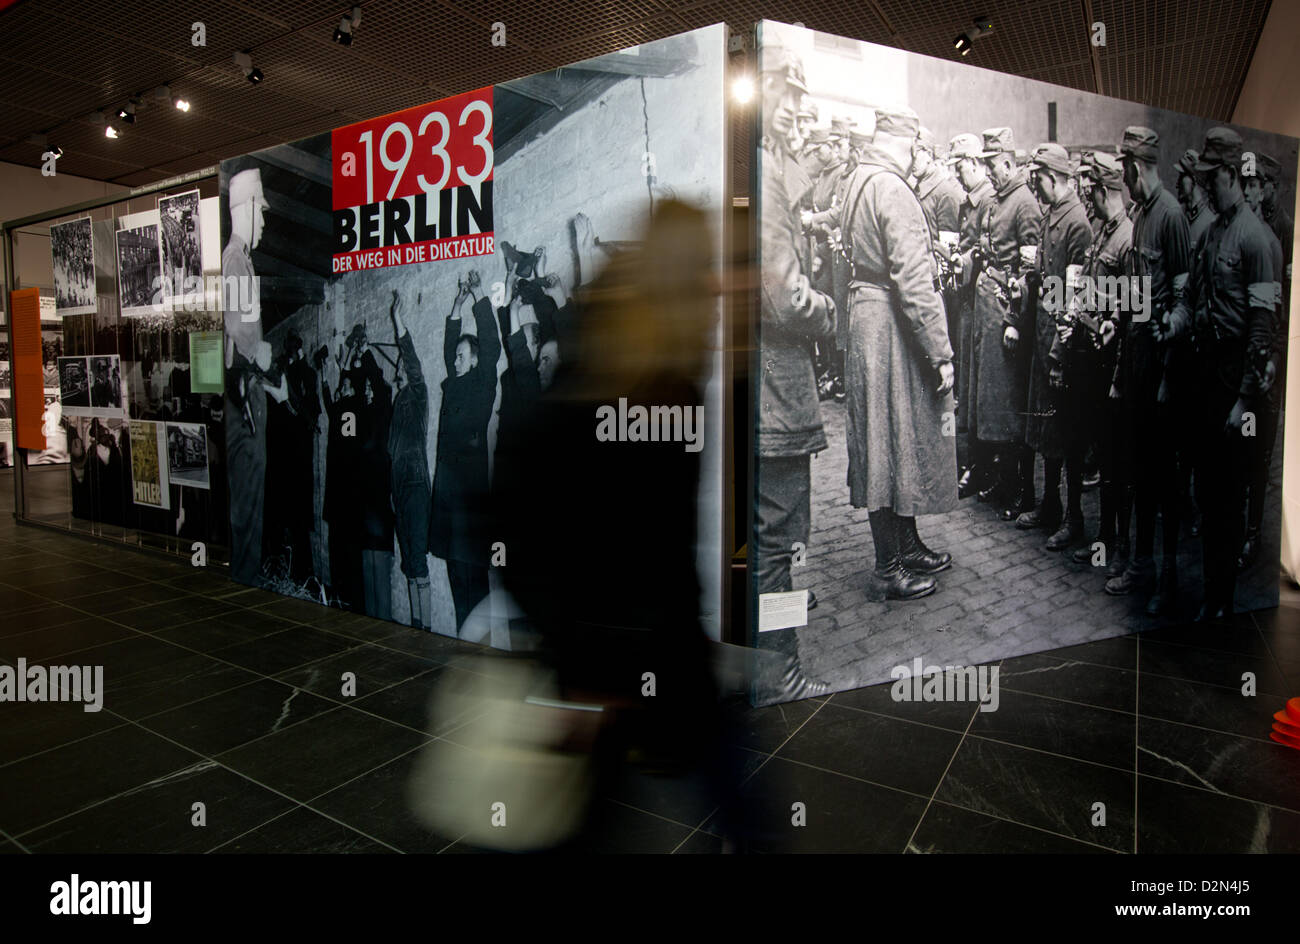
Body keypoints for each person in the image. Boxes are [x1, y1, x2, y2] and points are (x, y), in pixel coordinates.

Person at [489, 198, 750, 849]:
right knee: (588, 821)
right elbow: (529, 516)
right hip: (611, 657)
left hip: (642, 652)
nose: (721, 293)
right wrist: (583, 651)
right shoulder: (624, 373)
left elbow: (661, 538)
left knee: (603, 817)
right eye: (708, 272)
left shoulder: (666, 372)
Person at [838, 105, 957, 600]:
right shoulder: (893, 188)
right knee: (886, 442)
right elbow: (914, 281)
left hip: (869, 315)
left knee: (892, 436)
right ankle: (889, 567)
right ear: (907, 144)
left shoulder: (859, 179)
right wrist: (941, 352)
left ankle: (906, 545)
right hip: (889, 323)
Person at [1159, 127, 1276, 620]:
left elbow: (1262, 327)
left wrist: (1246, 399)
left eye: (1213, 177)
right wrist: (1175, 322)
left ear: (1231, 174)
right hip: (1206, 376)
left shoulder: (1258, 240)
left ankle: (1222, 601)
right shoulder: (1209, 233)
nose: (1205, 185)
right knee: (1208, 490)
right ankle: (1212, 591)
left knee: (1229, 495)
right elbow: (1191, 296)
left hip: (1235, 380)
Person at [753, 45, 835, 697]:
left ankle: (768, 659)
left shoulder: (752, 165)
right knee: (778, 544)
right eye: (790, 94)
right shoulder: (767, 174)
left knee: (761, 540)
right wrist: (826, 308)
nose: (797, 109)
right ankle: (781, 671)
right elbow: (784, 297)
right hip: (776, 393)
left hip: (751, 390)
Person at [1106, 127, 1191, 615]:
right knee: (1140, 473)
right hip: (1139, 362)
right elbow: (1137, 294)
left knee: (1164, 483)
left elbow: (1182, 299)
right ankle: (1141, 565)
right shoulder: (1141, 217)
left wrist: (1164, 378)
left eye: (1124, 172)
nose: (1124, 182)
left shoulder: (1172, 217)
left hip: (1163, 369)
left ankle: (1168, 578)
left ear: (1135, 169)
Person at [1015, 142, 1093, 551]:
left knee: (1068, 434)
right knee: (1049, 431)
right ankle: (1050, 505)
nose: (1036, 187)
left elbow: (1076, 295)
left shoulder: (1077, 223)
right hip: (1046, 336)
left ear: (1055, 177)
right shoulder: (1053, 217)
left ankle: (1073, 517)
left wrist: (1059, 352)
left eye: (1039, 179)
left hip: (1064, 344)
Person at [1066, 152, 1134, 580]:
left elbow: (1131, 311)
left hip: (1113, 365)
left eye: (1089, 187)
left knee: (1115, 464)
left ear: (1104, 189)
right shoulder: (1102, 232)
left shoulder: (1126, 239)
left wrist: (1108, 326)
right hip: (1091, 358)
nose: (1085, 194)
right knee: (1100, 455)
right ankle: (1103, 541)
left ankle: (1114, 546)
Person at [968, 128, 1040, 521]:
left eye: (992, 165)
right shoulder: (997, 200)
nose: (988, 172)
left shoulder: (1025, 203)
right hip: (988, 309)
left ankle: (1020, 489)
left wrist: (1016, 321)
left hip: (1007, 313)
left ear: (1009, 163)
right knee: (990, 401)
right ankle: (1000, 476)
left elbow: (1030, 269)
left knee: (1010, 404)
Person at [223, 166, 289, 584]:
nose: (263, 221)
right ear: (246, 207)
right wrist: (264, 355)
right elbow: (242, 335)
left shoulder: (241, 262)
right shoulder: (236, 261)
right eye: (261, 212)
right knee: (247, 513)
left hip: (248, 400)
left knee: (250, 509)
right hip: (244, 411)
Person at [429, 270, 500, 633]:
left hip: (470, 512)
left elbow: (491, 344)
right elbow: (448, 349)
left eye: (461, 356)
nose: (455, 360)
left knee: (476, 595)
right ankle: (464, 652)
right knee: (458, 586)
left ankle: (481, 661)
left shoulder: (482, 385)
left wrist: (477, 298)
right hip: (449, 506)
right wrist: (455, 306)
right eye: (455, 356)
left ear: (474, 361)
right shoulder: (454, 386)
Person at [946, 132, 997, 497]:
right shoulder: (969, 202)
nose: (958, 174)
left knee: (978, 389)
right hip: (964, 302)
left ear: (976, 163)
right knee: (964, 384)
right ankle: (968, 462)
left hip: (982, 305)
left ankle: (979, 466)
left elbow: (986, 252)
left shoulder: (989, 202)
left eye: (961, 166)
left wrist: (962, 261)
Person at [387, 291, 434, 630]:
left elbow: (413, 361)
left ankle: (426, 630)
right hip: (399, 489)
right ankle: (417, 627)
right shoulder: (397, 403)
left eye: (404, 364)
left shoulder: (417, 394)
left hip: (416, 486)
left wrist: (398, 320)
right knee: (408, 561)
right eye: (401, 366)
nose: (402, 367)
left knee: (417, 560)